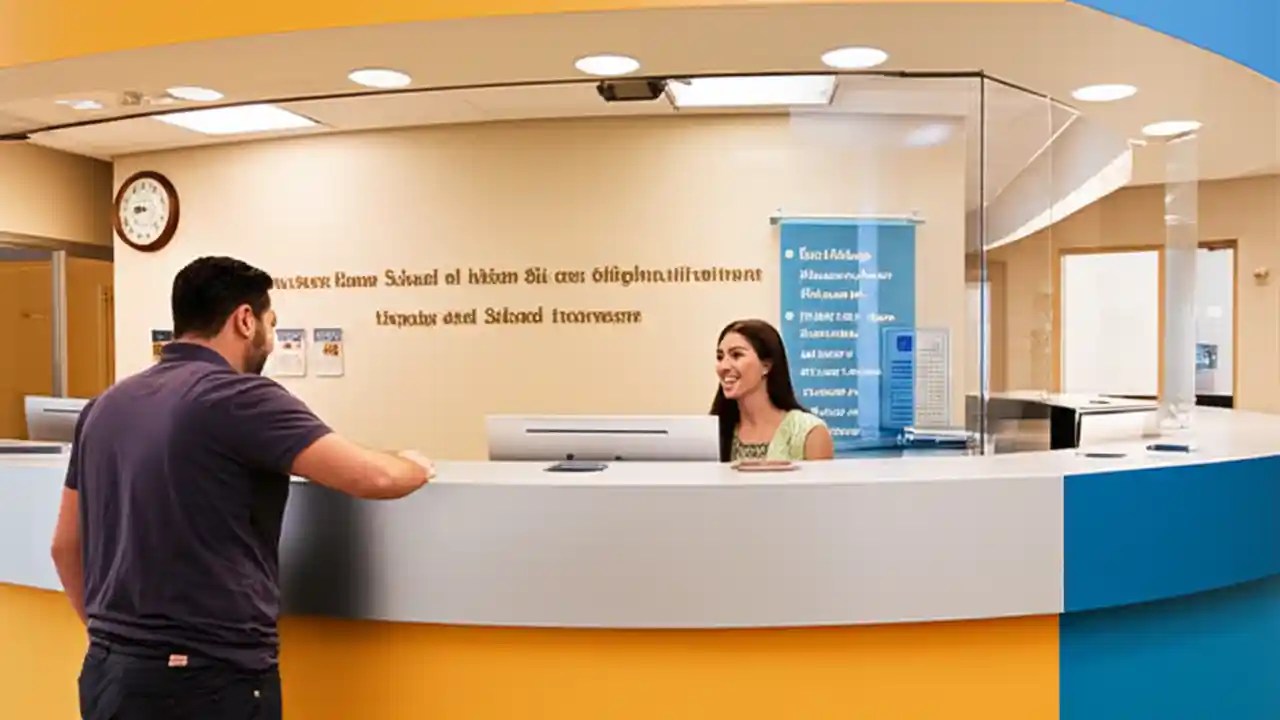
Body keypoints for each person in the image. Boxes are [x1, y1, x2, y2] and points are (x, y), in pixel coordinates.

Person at [49, 256, 434, 720]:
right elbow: (374, 477)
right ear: (245, 320)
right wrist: (415, 465)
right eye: (271, 323)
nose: (271, 337)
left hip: (108, 675)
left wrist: (111, 639)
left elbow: (65, 546)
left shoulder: (104, 406)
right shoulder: (240, 397)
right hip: (209, 679)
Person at [711, 319, 834, 463]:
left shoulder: (809, 432)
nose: (723, 366)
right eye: (720, 357)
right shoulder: (715, 433)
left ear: (766, 365)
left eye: (736, 355)